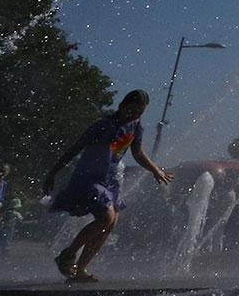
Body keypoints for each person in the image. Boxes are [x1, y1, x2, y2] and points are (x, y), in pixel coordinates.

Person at [41, 89, 171, 282]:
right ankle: (68, 254)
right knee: (105, 218)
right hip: (90, 178)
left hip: (111, 180)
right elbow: (76, 148)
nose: (135, 115)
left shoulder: (135, 127)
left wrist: (155, 170)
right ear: (123, 105)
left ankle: (79, 269)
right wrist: (52, 173)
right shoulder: (103, 125)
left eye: (140, 112)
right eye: (133, 110)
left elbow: (137, 153)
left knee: (111, 223)